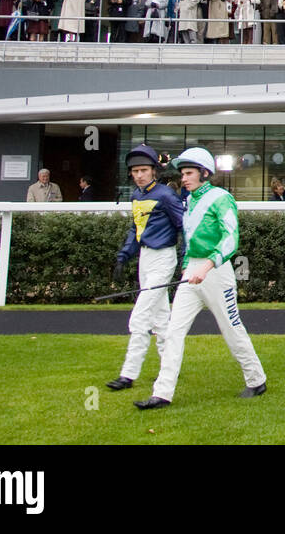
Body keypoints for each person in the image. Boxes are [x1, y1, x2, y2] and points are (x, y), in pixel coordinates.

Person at [135, 146, 267, 409]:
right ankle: (162, 393)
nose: (183, 178)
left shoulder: (221, 198)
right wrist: (187, 266)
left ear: (204, 173)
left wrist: (205, 267)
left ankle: (256, 379)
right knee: (173, 331)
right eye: (182, 174)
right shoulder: (190, 201)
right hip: (192, 274)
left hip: (216, 272)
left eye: (188, 173)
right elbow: (189, 239)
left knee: (231, 329)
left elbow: (231, 238)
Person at [106, 144, 185, 392]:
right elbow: (135, 229)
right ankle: (168, 369)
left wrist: (186, 259)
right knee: (161, 319)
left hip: (164, 258)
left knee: (140, 317)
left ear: (154, 171)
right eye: (135, 171)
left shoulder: (166, 195)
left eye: (143, 170)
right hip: (145, 259)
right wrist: (123, 256)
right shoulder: (135, 196)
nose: (139, 175)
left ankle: (128, 375)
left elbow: (185, 226)